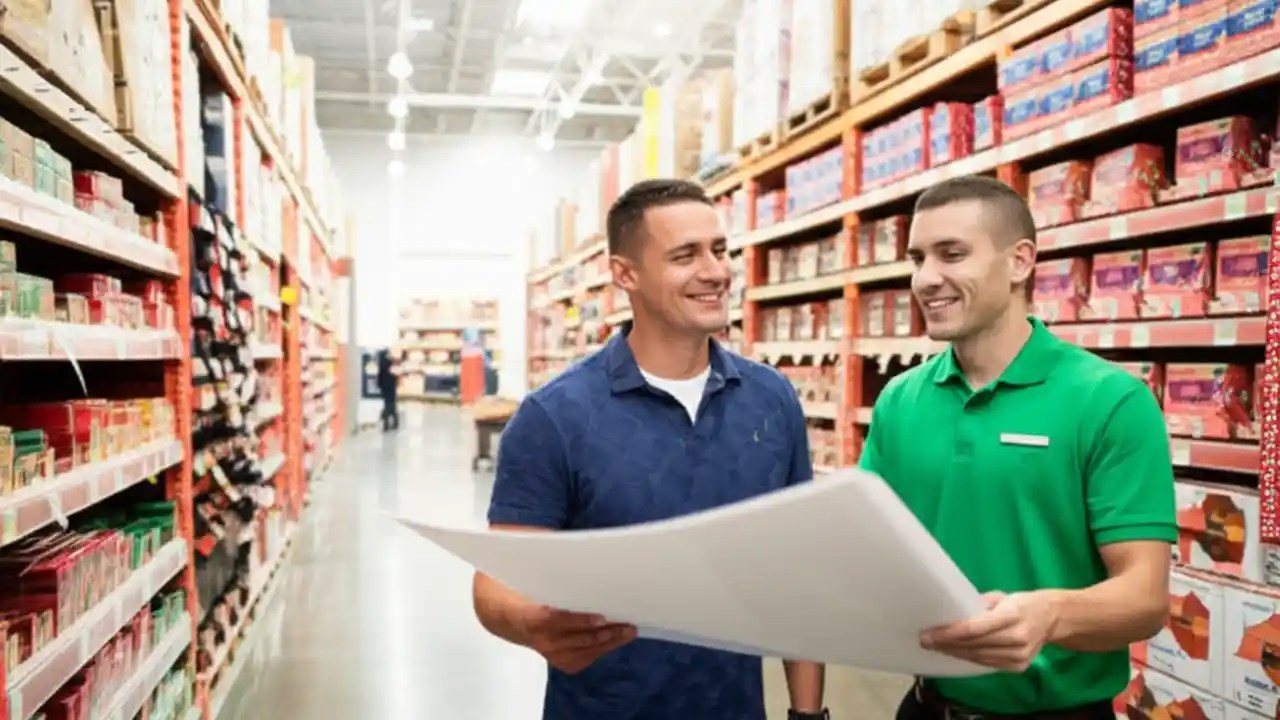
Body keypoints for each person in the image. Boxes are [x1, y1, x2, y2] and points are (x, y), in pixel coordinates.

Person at [472, 178, 828, 720]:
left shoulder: (769, 398)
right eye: (685, 255)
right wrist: (531, 623)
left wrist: (808, 714)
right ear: (625, 274)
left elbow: (799, 570)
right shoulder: (555, 416)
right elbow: (495, 584)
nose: (714, 271)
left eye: (719, 250)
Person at [859, 176, 1175, 719]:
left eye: (952, 254)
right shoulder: (900, 401)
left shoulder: (1109, 401)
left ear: (1020, 262)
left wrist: (1049, 615)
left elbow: (1145, 599)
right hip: (925, 706)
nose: (926, 279)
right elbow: (870, 546)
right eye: (917, 258)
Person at [377, 350, 400, 431]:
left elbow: (379, 375)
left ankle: (386, 424)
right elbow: (396, 375)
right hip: (391, 386)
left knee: (387, 403)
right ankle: (395, 423)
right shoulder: (392, 363)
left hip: (384, 386)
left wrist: (379, 385)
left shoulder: (381, 363)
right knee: (392, 403)